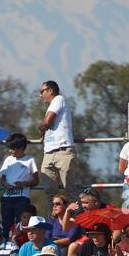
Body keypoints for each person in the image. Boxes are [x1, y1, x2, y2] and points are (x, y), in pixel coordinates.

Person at [38, 80, 75, 212]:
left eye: (42, 92)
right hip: (49, 153)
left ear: (50, 91)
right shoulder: (52, 105)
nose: (40, 95)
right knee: (49, 193)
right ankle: (53, 223)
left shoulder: (59, 99)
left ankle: (76, 224)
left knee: (70, 190)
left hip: (62, 150)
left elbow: (46, 122)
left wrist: (41, 128)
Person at [0, 133, 38, 234]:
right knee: (6, 223)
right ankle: (7, 244)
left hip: (22, 198)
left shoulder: (30, 160)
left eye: (12, 148)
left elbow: (36, 181)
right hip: (7, 197)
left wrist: (23, 184)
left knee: (21, 224)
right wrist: (5, 184)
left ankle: (20, 245)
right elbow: (2, 179)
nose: (9, 151)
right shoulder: (8, 159)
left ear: (20, 148)